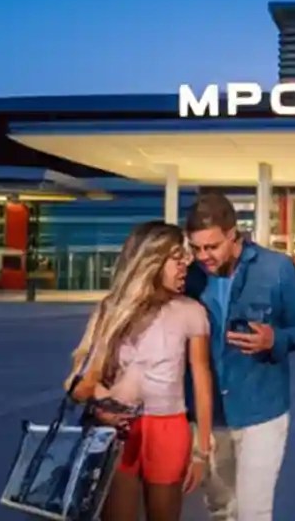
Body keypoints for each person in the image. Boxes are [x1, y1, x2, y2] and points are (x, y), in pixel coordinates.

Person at [182, 190, 295, 521]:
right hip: (206, 417)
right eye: (196, 247)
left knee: (253, 512)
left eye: (212, 247)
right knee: (220, 509)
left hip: (262, 411)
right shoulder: (188, 275)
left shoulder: (277, 269)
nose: (203, 256)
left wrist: (276, 338)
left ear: (234, 235)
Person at [66, 220, 216, 521]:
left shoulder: (191, 311)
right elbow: (78, 383)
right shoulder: (112, 311)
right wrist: (101, 404)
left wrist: (201, 451)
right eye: (177, 258)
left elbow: (202, 381)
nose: (186, 264)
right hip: (118, 432)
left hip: (169, 427)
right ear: (152, 261)